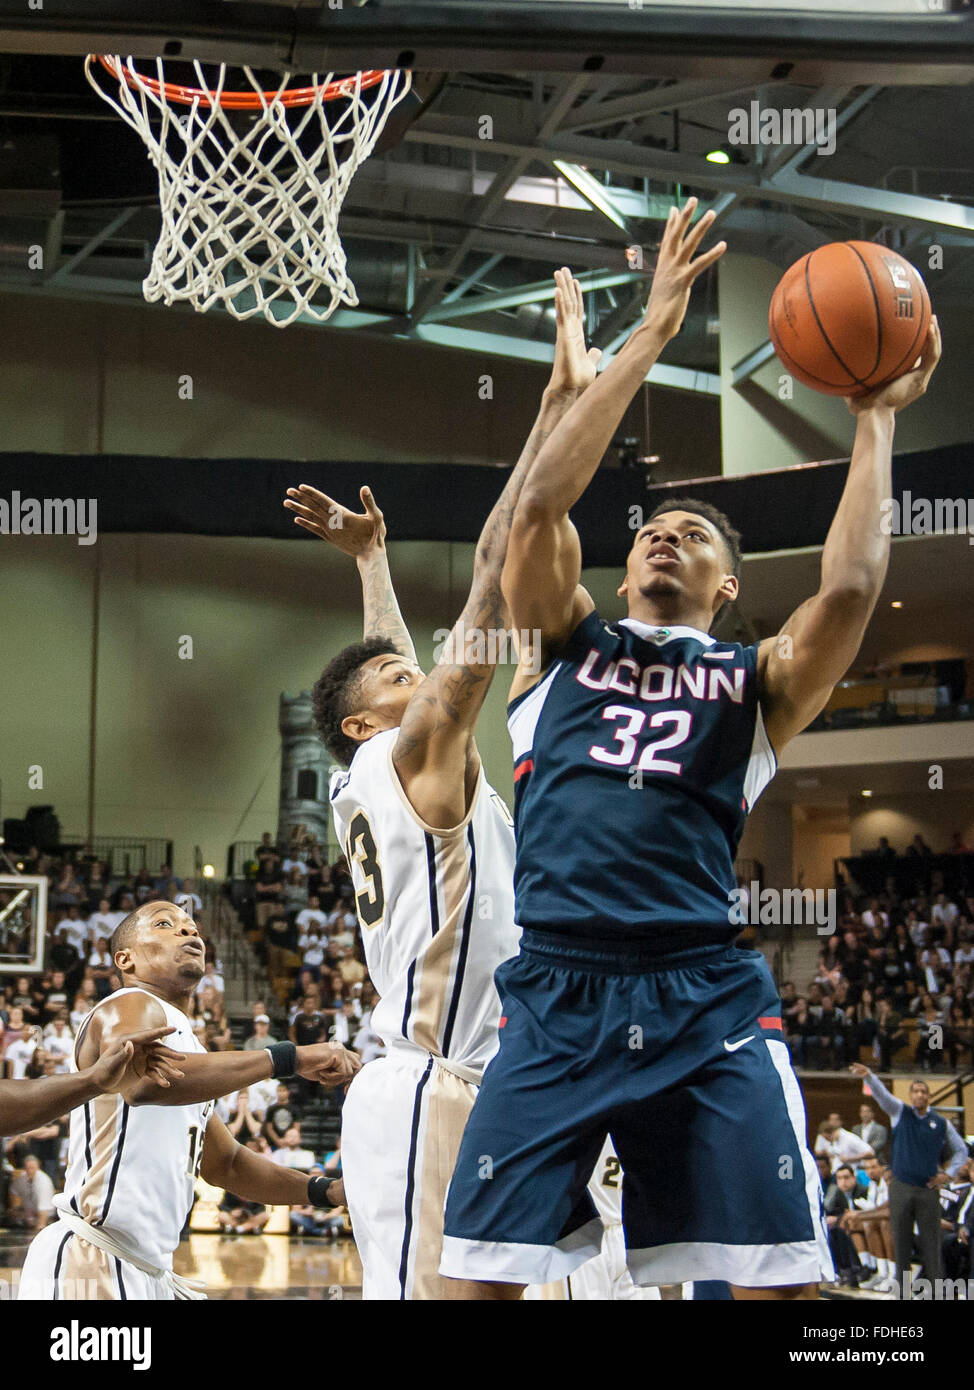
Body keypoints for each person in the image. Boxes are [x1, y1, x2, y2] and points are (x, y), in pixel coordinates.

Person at [439, 200, 940, 1300]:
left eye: (697, 534)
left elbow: (850, 588)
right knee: (468, 1286)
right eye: (648, 531)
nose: (664, 533)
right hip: (557, 994)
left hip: (699, 995)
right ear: (622, 573)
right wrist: (651, 332)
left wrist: (873, 418)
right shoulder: (561, 644)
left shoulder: (754, 684)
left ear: (727, 589)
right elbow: (532, 516)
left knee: (781, 1289)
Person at [284, 265, 598, 1301]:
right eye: (397, 676)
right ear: (365, 722)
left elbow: (391, 663)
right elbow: (490, 570)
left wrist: (370, 560)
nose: (416, 669)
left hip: (481, 1080)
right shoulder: (406, 751)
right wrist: (554, 412)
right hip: (430, 1084)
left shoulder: (381, 764)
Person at [17, 900, 359, 1300]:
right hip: (94, 1256)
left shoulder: (189, 1044)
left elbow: (226, 1163)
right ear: (124, 960)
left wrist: (325, 1192)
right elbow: (144, 1084)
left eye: (192, 927)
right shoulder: (127, 1004)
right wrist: (288, 1057)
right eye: (165, 924)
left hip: (148, 1267)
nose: (189, 931)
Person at [850, 1063, 968, 1297]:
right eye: (915, 1091)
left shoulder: (940, 1123)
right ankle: (902, 1293)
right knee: (901, 1244)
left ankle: (937, 1292)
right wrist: (870, 1077)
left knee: (931, 1246)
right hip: (902, 1187)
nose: (919, 1095)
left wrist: (948, 1173)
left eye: (923, 1091)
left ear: (929, 1096)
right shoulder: (899, 1112)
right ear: (910, 1095)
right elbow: (883, 1097)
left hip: (928, 1189)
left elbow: (961, 1150)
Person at [8, 1154, 56, 1231]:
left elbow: (44, 1212)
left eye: (32, 1168)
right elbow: (13, 1190)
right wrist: (15, 1207)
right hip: (27, 1215)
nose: (30, 1171)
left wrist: (38, 1230)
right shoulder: (22, 1178)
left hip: (45, 1215)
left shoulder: (44, 1182)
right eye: (27, 1168)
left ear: (37, 1168)